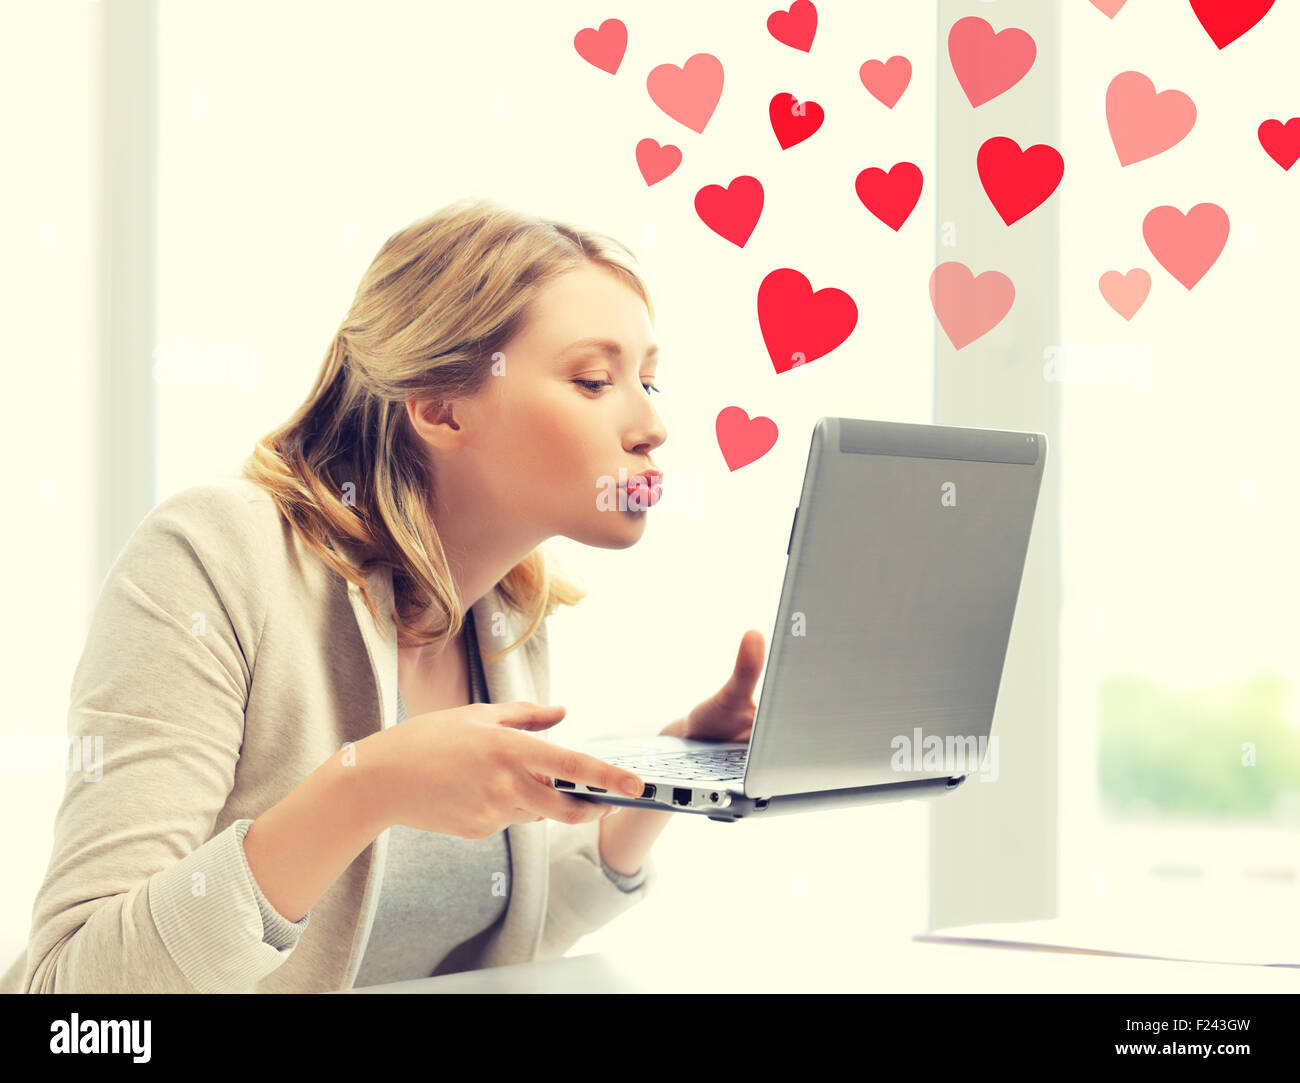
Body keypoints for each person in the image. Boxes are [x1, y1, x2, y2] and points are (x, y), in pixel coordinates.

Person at [4, 197, 762, 993]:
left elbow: (469, 943)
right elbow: (71, 995)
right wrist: (367, 785)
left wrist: (668, 777)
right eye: (595, 380)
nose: (652, 425)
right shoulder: (213, 555)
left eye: (649, 378)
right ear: (439, 407)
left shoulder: (504, 613)